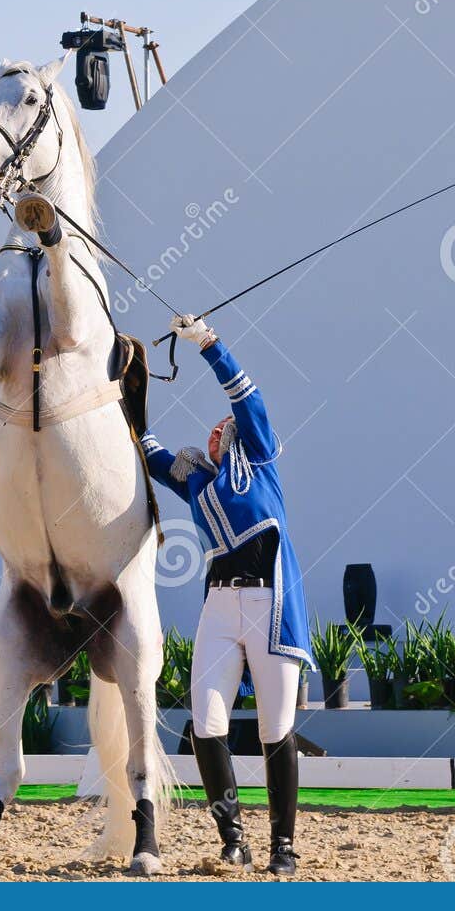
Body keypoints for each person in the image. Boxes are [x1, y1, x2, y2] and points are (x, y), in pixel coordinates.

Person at [140, 317, 312, 877]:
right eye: (213, 429)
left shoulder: (260, 460)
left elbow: (247, 398)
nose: (218, 429)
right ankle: (233, 837)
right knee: (206, 724)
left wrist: (209, 344)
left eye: (225, 426)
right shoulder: (198, 479)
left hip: (269, 605)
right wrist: (127, 393)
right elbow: (149, 453)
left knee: (274, 729)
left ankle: (282, 846)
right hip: (218, 604)